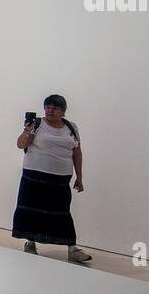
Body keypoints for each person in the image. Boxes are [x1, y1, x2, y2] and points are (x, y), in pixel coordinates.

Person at [12, 94, 92, 263]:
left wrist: (80, 176)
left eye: (54, 108)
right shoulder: (37, 125)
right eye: (47, 107)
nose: (50, 110)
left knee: (62, 213)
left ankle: (72, 248)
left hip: (60, 179)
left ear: (63, 111)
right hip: (34, 176)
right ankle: (30, 243)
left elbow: (77, 153)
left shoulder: (71, 127)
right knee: (31, 210)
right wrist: (27, 130)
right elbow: (21, 144)